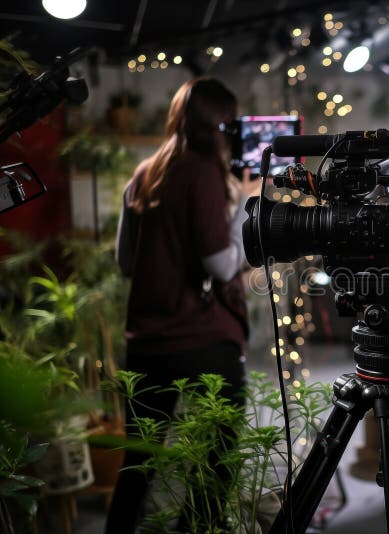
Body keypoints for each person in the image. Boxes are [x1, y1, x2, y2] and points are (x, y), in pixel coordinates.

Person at [106, 77, 258, 533]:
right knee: (216, 460)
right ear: (219, 125)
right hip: (203, 341)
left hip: (147, 343)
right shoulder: (203, 171)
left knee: (140, 464)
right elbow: (222, 263)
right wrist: (247, 206)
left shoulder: (145, 172)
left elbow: (126, 262)